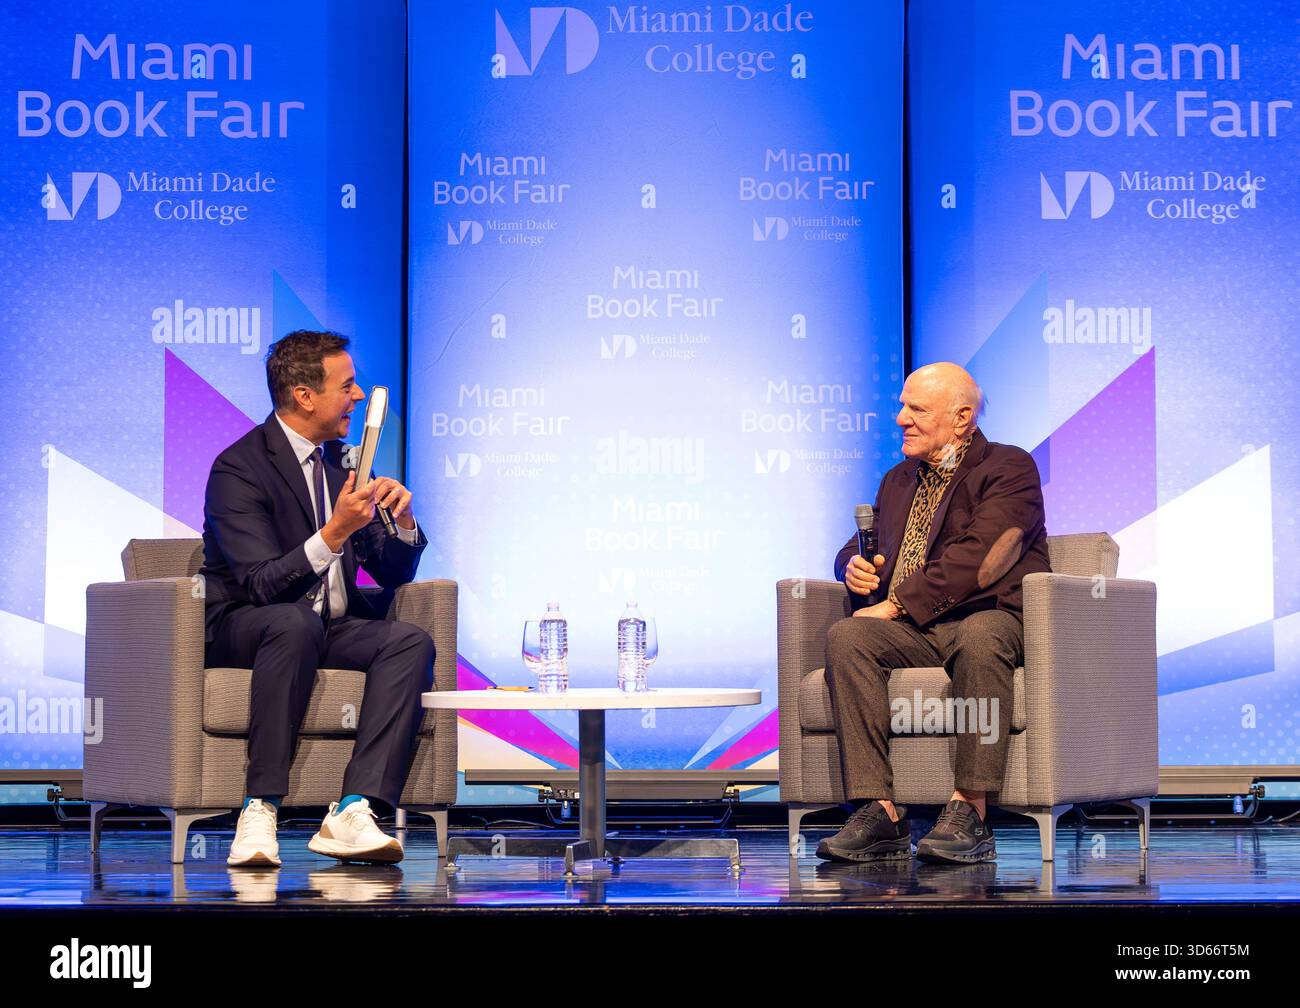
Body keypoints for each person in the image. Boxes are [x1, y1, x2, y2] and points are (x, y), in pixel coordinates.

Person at [200, 329, 433, 867]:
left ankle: (352, 810)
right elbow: (259, 583)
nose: (357, 396)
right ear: (305, 395)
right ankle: (260, 807)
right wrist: (333, 533)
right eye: (346, 385)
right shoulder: (239, 468)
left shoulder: (343, 465)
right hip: (248, 626)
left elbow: (391, 572)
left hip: (328, 625)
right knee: (292, 624)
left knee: (408, 642)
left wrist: (401, 522)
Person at [816, 362, 1050, 865]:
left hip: (987, 617)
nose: (901, 418)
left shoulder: (1008, 468)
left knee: (982, 634)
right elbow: (865, 544)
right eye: (902, 405)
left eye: (916, 409)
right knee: (847, 636)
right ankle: (879, 812)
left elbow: (981, 556)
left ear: (962, 417)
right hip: (919, 629)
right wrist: (851, 567)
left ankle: (972, 811)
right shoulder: (898, 480)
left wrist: (896, 603)